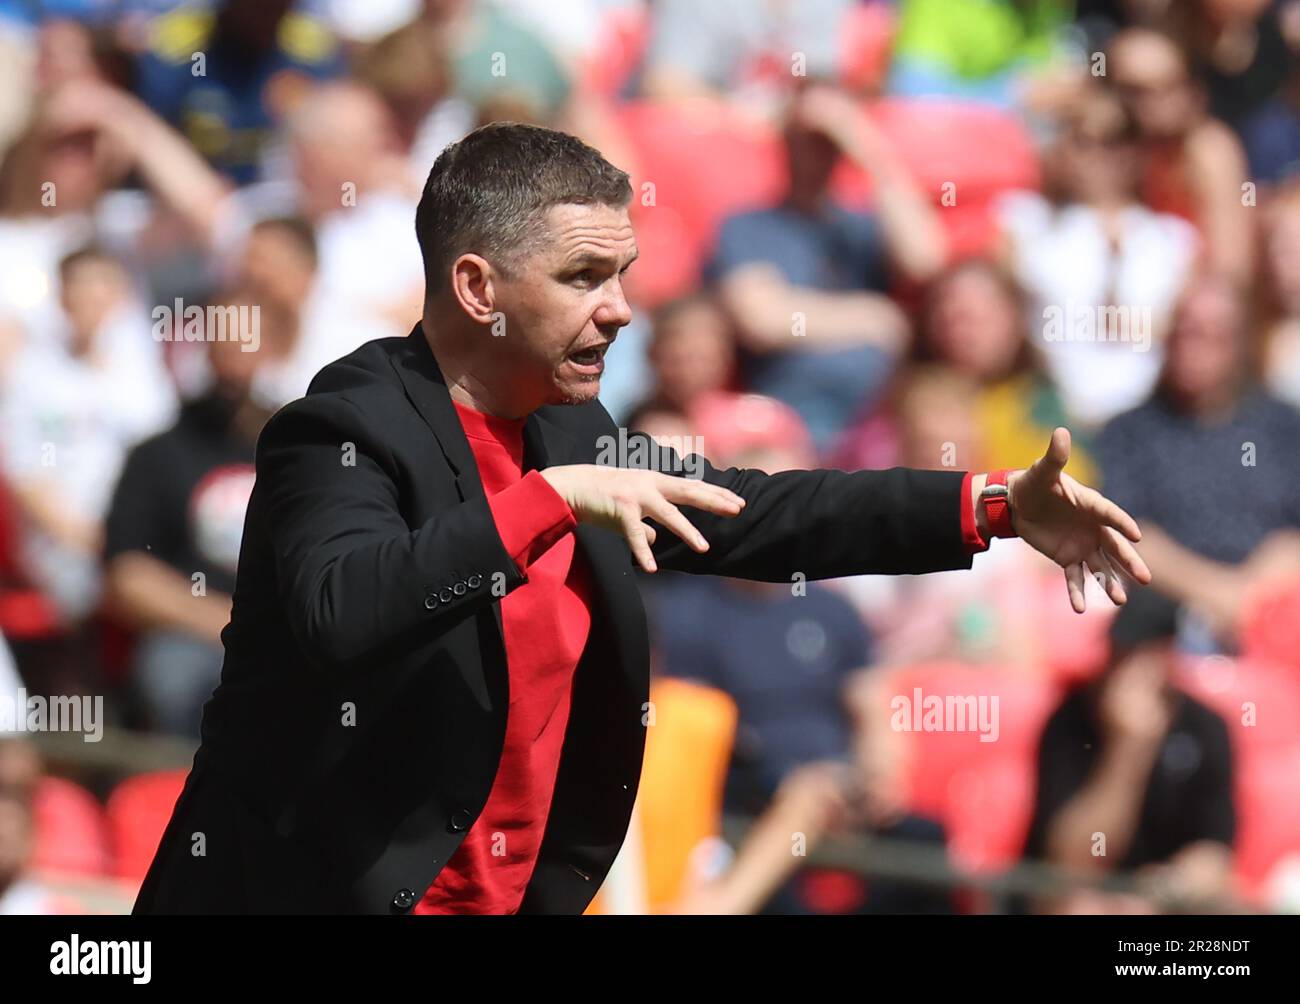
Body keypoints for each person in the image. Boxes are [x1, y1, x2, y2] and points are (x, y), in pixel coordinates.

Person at [134, 122, 1150, 916]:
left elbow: (755, 511)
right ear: (477, 288)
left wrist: (992, 506)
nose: (621, 307)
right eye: (583, 276)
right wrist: (547, 505)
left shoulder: (569, 426)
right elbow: (340, 608)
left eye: (621, 273)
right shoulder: (343, 425)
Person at [1021, 589, 1236, 913]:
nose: (1121, 667)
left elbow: (1212, 854)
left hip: (1161, 898)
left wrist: (1162, 890)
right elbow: (1074, 860)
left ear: (1168, 654)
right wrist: (1129, 750)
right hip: (1077, 894)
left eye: (1138, 654)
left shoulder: (1205, 727)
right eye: (1118, 651)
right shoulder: (1068, 719)